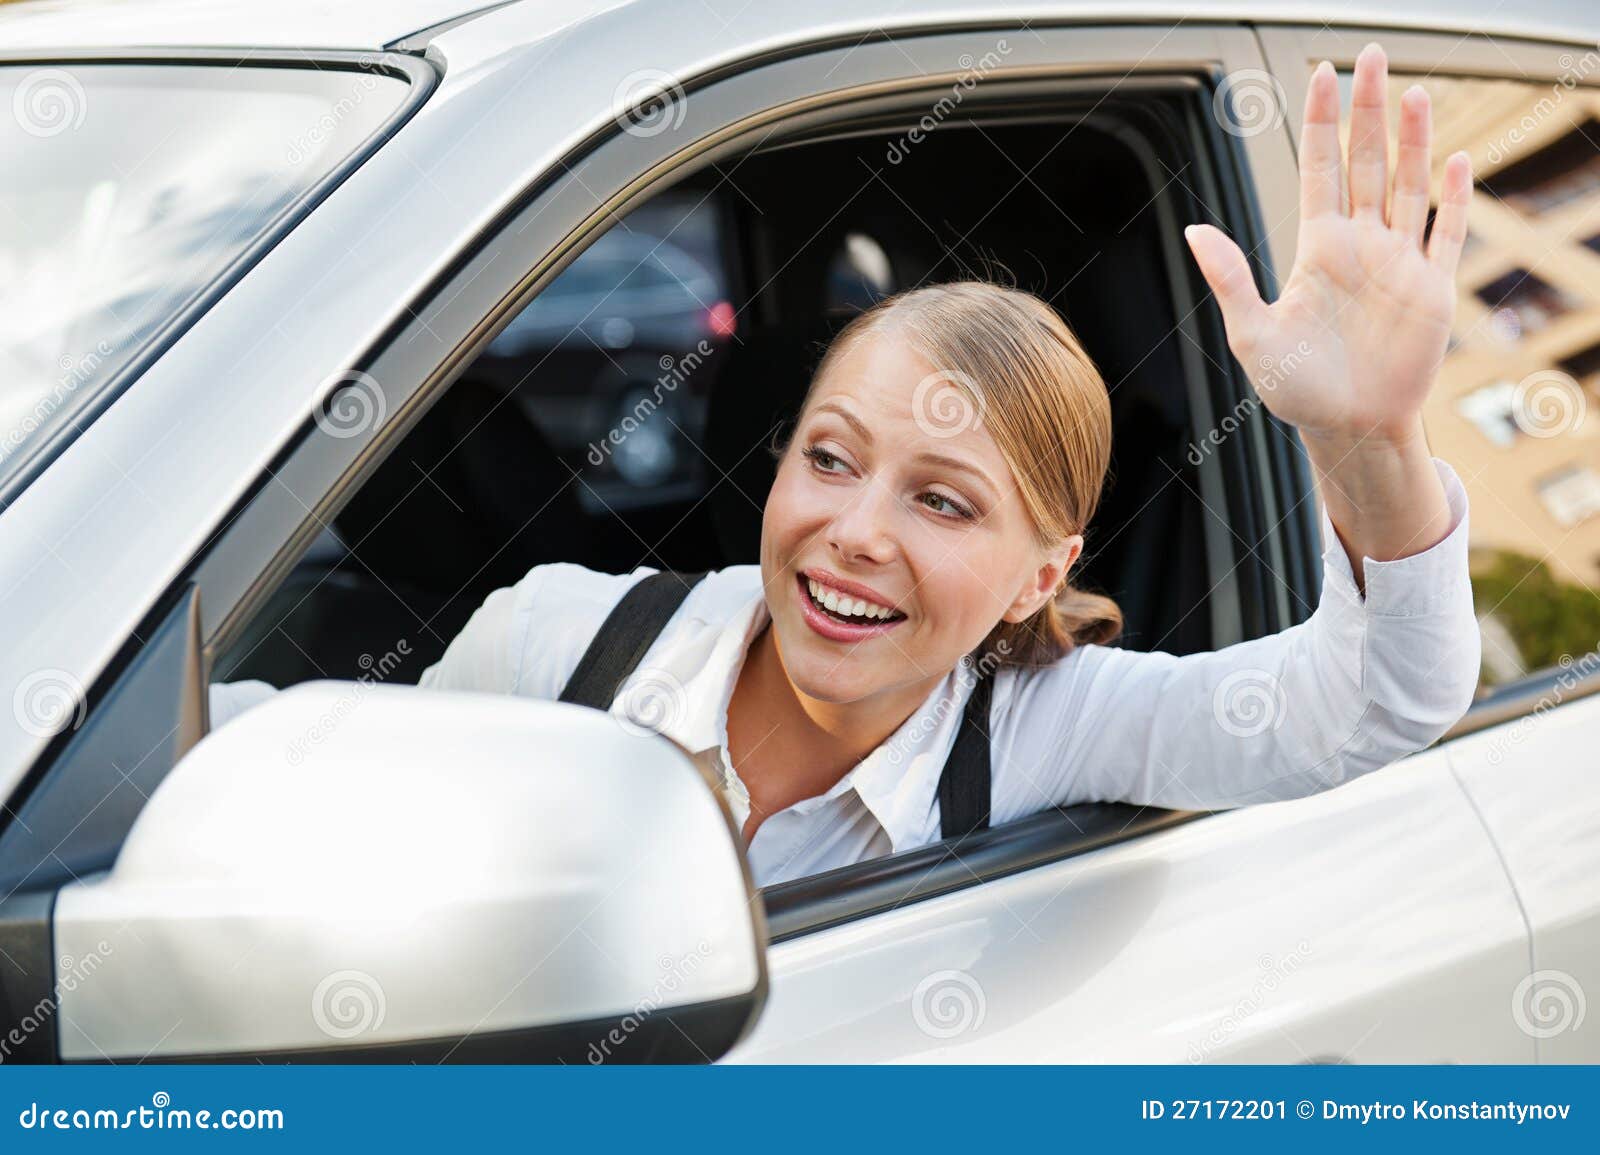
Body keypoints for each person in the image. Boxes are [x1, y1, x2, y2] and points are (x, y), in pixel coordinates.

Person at [210, 44, 1480, 889]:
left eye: (940, 498)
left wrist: (1363, 438)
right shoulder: (553, 641)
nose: (855, 530)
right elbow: (297, 812)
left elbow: (1375, 705)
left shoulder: (1050, 728)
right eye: (831, 459)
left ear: (1042, 576)